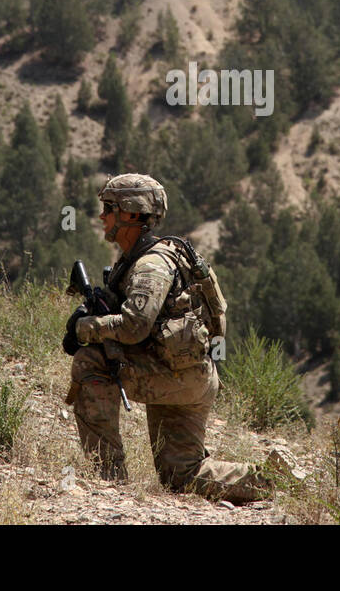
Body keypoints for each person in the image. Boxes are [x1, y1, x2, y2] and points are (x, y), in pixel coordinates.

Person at [63, 173, 277, 501]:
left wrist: (86, 327)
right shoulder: (155, 256)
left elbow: (134, 327)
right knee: (182, 475)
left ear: (132, 214)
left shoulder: (150, 266)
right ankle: (270, 480)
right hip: (191, 377)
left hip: (172, 375)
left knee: (90, 361)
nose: (102, 216)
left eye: (109, 208)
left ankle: (108, 482)